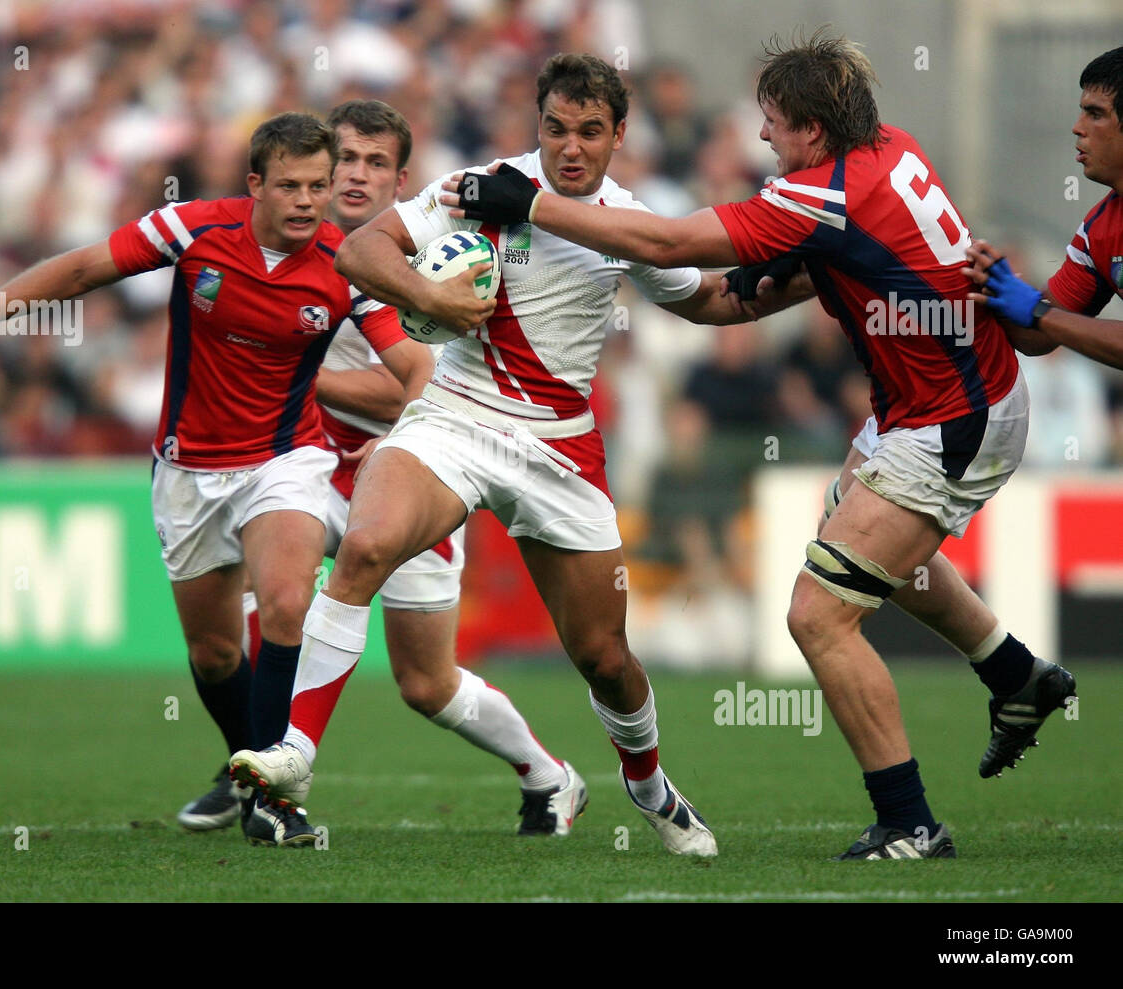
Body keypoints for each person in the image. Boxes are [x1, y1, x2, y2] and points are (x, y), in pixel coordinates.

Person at [446, 31, 1077, 860]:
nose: (763, 138)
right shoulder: (892, 147)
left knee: (819, 617)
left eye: (774, 121)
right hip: (929, 399)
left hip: (951, 414)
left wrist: (524, 203)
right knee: (866, 546)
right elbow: (849, 255)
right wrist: (775, 278)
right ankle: (1016, 676)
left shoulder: (823, 193)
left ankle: (910, 821)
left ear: (815, 129)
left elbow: (669, 244)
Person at [230, 54, 781, 858]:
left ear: (619, 136)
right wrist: (431, 297)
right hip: (454, 416)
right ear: (539, 123)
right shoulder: (479, 187)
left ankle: (648, 783)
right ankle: (297, 757)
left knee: (605, 658)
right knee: (367, 545)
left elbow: (708, 300)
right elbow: (362, 253)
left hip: (560, 451)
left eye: (590, 132)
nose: (570, 147)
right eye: (556, 127)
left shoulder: (628, 222)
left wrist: (803, 280)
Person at [0, 112, 432, 847]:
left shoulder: (348, 264)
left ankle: (278, 796)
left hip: (287, 461)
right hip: (188, 470)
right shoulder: (193, 230)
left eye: (318, 185)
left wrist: (406, 435)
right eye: (291, 186)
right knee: (214, 654)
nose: (309, 200)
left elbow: (414, 369)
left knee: (284, 602)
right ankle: (247, 770)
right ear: (256, 186)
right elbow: (84, 269)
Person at [184, 100, 585, 839]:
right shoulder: (293, 240)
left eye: (376, 164)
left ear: (403, 179)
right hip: (305, 469)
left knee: (424, 684)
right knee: (267, 601)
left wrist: (295, 374)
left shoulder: (428, 259)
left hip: (404, 483)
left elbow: (420, 379)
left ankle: (549, 775)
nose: (356, 176)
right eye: (345, 161)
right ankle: (262, 775)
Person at [962, 47, 1123, 368]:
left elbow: (1046, 319)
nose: (1077, 127)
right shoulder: (1099, 228)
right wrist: (995, 291)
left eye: (1095, 114)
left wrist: (1038, 312)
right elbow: (1038, 337)